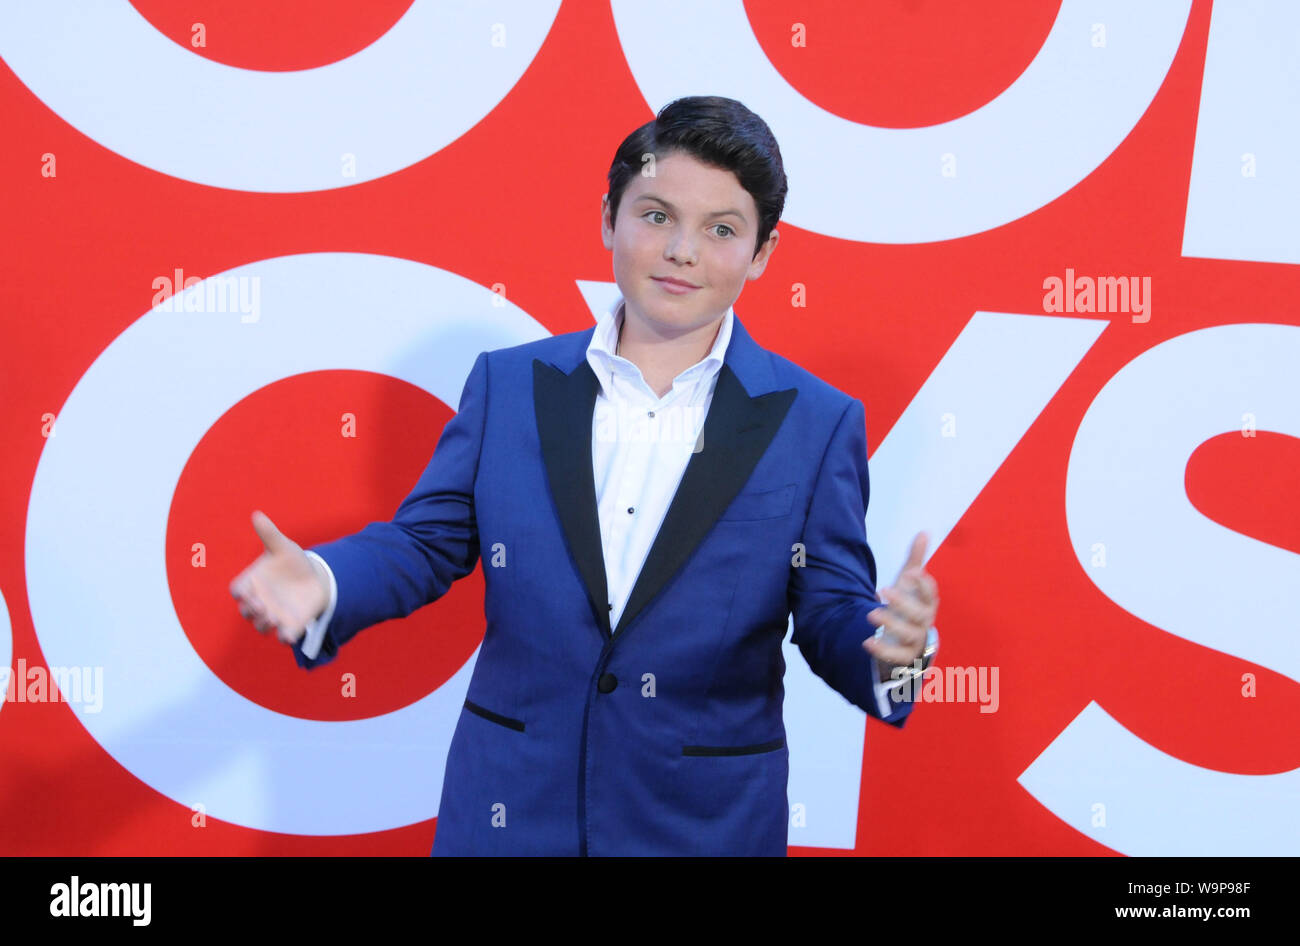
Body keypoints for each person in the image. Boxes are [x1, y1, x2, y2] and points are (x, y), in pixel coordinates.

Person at [230, 95, 939, 856]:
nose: (682, 251)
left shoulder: (815, 421)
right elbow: (425, 544)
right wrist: (325, 579)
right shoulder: (510, 385)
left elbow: (831, 609)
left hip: (702, 829)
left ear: (763, 253)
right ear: (609, 218)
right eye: (657, 215)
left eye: (722, 230)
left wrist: (893, 654)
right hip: (509, 815)